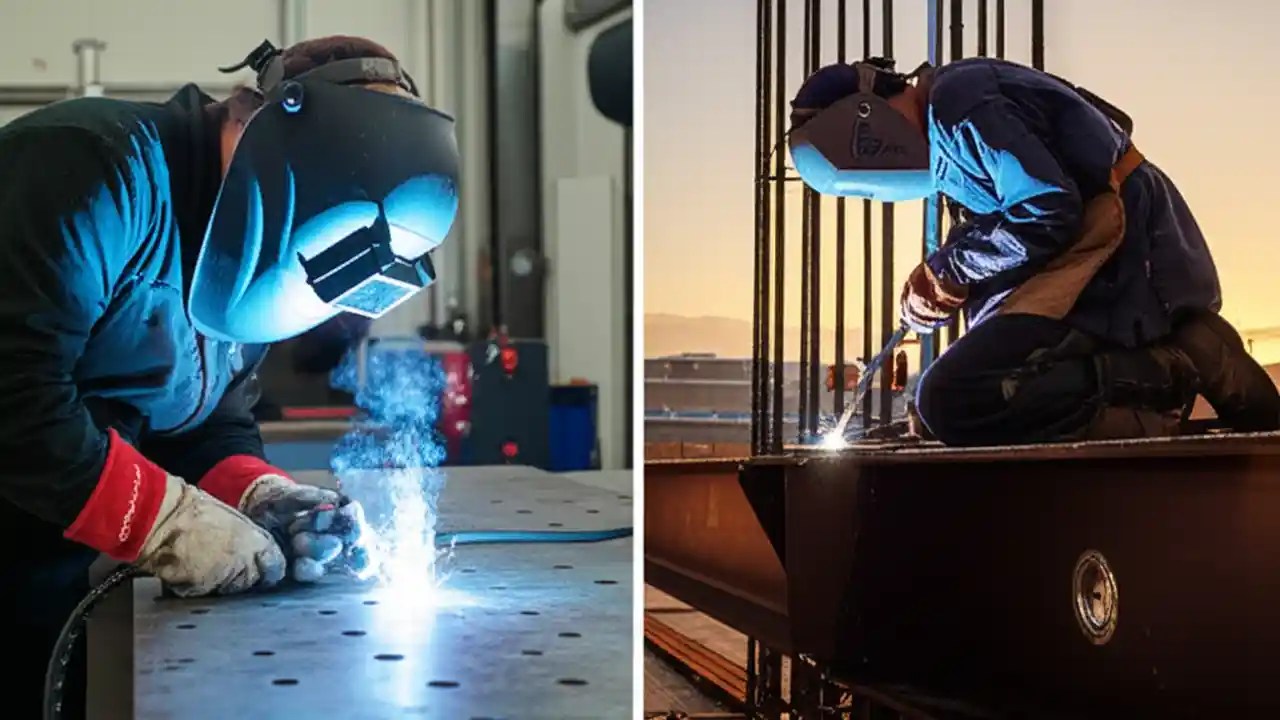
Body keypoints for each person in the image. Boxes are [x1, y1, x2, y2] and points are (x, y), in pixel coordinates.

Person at [0, 36, 459, 717]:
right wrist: (163, 520)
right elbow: (14, 398)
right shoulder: (93, 170)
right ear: (262, 129)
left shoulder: (246, 259)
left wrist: (260, 493)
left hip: (43, 583)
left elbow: (206, 420)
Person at [789, 56, 1280, 446]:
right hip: (1101, 266)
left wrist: (950, 271)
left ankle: (1170, 370)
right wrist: (940, 284)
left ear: (866, 123)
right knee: (938, 406)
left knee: (952, 398)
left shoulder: (958, 109)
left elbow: (1049, 207)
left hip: (1128, 260)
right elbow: (1007, 230)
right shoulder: (951, 125)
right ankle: (1161, 368)